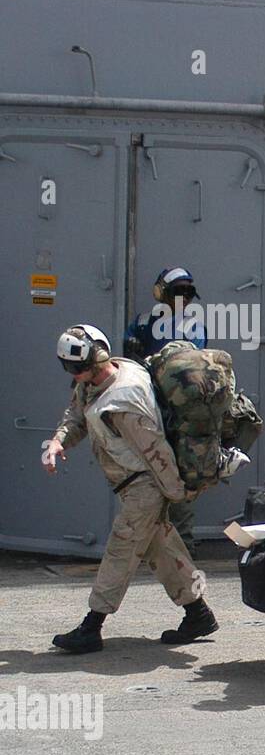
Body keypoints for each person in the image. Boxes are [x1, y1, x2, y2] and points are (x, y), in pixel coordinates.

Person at [43, 324, 217, 653]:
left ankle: (91, 627)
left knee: (121, 550)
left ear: (96, 360)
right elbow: (77, 414)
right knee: (163, 550)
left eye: (77, 368)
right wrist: (58, 441)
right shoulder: (95, 380)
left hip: (144, 488)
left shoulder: (124, 400)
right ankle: (198, 614)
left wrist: (178, 493)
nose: (74, 375)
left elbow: (157, 453)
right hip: (133, 485)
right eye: (68, 368)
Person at [123, 266, 207, 558]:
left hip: (178, 410)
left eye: (186, 293)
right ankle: (152, 544)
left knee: (181, 475)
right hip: (147, 405)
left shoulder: (194, 326)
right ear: (162, 293)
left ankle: (183, 547)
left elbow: (191, 359)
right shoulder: (145, 322)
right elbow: (127, 348)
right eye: (177, 292)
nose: (182, 298)